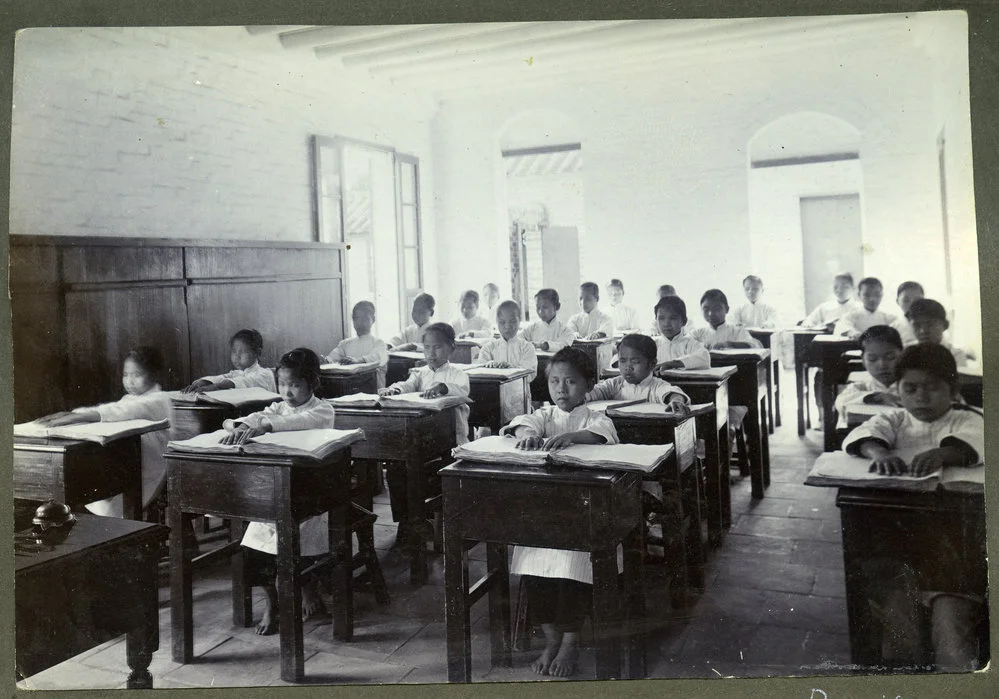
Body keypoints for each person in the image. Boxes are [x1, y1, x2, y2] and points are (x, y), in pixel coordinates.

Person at [841, 344, 985, 672]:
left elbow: (977, 439)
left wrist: (944, 454)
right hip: (902, 547)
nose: (921, 397)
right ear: (897, 390)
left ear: (954, 389)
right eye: (910, 388)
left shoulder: (968, 418)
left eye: (933, 388)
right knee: (898, 624)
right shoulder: (894, 418)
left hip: (956, 555)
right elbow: (866, 432)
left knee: (951, 634)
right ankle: (904, 678)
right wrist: (878, 453)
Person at [499, 347, 619, 677]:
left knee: (572, 563)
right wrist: (528, 435)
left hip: (583, 515)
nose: (561, 390)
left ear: (589, 385)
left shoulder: (596, 414)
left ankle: (570, 640)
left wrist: (571, 437)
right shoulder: (545, 415)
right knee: (530, 557)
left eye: (570, 382)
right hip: (545, 514)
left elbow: (601, 434)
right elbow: (522, 423)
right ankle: (551, 637)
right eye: (554, 382)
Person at [226, 347, 337, 635]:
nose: (287, 392)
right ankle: (272, 602)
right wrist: (238, 425)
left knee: (303, 539)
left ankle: (308, 590)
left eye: (295, 385)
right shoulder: (277, 408)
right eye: (283, 384)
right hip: (277, 490)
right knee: (256, 541)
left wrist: (267, 426)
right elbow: (259, 416)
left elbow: (298, 422)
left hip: (313, 494)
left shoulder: (322, 409)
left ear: (313, 383)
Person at [34, 346, 172, 519]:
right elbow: (113, 409)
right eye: (126, 375)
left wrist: (75, 416)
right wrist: (75, 415)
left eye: (137, 375)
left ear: (155, 374)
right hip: (132, 457)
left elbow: (123, 411)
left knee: (107, 479)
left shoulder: (159, 399)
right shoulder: (130, 398)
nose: (130, 381)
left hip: (152, 464)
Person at [379, 322, 471, 545]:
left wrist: (442, 387)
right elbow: (408, 385)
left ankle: (423, 518)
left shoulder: (458, 374)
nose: (431, 353)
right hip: (422, 443)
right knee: (395, 469)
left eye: (437, 347)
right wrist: (396, 389)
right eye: (427, 347)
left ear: (451, 348)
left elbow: (461, 390)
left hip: (450, 443)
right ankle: (407, 520)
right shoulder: (419, 373)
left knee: (420, 472)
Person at [587, 334, 689, 411]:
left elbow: (671, 392)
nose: (628, 367)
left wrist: (677, 400)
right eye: (622, 361)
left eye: (635, 362)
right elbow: (595, 391)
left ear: (652, 364)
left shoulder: (656, 386)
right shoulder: (614, 384)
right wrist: (581, 396)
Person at [833, 325, 903, 427]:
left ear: (902, 355)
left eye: (890, 357)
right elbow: (840, 402)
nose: (882, 365)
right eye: (872, 359)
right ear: (863, 361)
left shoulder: (912, 385)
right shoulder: (861, 387)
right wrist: (876, 397)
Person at [183, 328, 276, 393]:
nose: (237, 356)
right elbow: (223, 377)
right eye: (234, 351)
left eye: (243, 352)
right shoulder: (237, 373)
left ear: (257, 352)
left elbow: (244, 381)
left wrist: (216, 386)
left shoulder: (265, 374)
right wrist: (204, 382)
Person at [325, 300, 389, 388]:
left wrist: (358, 360)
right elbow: (332, 358)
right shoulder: (345, 344)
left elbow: (377, 358)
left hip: (373, 391)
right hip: (349, 389)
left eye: (364, 318)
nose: (360, 322)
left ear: (373, 319)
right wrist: (325, 360)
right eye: (356, 318)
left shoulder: (379, 343)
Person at [476, 300, 538, 380]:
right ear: (497, 322)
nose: (507, 326)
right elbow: (480, 371)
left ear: (519, 320)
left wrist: (511, 369)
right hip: (494, 391)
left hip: (519, 391)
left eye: (512, 321)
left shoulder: (527, 348)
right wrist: (489, 365)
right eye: (502, 322)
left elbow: (530, 374)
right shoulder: (488, 348)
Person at [650, 295, 710, 373]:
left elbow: (705, 357)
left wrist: (672, 364)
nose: (666, 323)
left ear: (684, 321)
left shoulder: (690, 344)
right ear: (656, 320)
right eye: (661, 318)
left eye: (673, 318)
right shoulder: (652, 345)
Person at [906, 298, 971, 367]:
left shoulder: (955, 355)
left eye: (930, 324)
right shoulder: (907, 353)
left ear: (945, 325)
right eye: (917, 325)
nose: (923, 331)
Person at [690, 289, 762, 349]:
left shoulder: (737, 331)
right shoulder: (697, 333)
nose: (711, 313)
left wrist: (729, 344)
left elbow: (754, 345)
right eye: (706, 309)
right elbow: (684, 345)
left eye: (717, 309)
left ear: (727, 309)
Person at [891, 281, 925, 346]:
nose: (912, 304)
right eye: (906, 300)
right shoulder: (893, 329)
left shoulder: (933, 323)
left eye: (917, 300)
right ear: (898, 301)